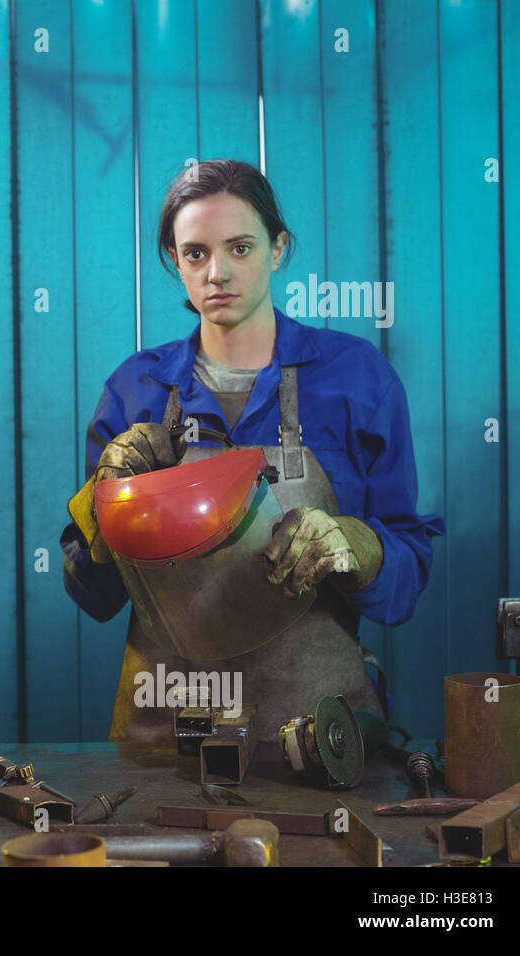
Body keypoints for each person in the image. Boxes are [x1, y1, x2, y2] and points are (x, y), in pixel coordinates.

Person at [61, 159, 444, 743]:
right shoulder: (136, 390)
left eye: (240, 248)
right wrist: (104, 511)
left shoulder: (356, 378)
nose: (217, 272)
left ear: (279, 249)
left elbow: (407, 576)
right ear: (175, 261)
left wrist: (353, 544)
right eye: (195, 253)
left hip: (316, 741)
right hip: (163, 745)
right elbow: (95, 595)